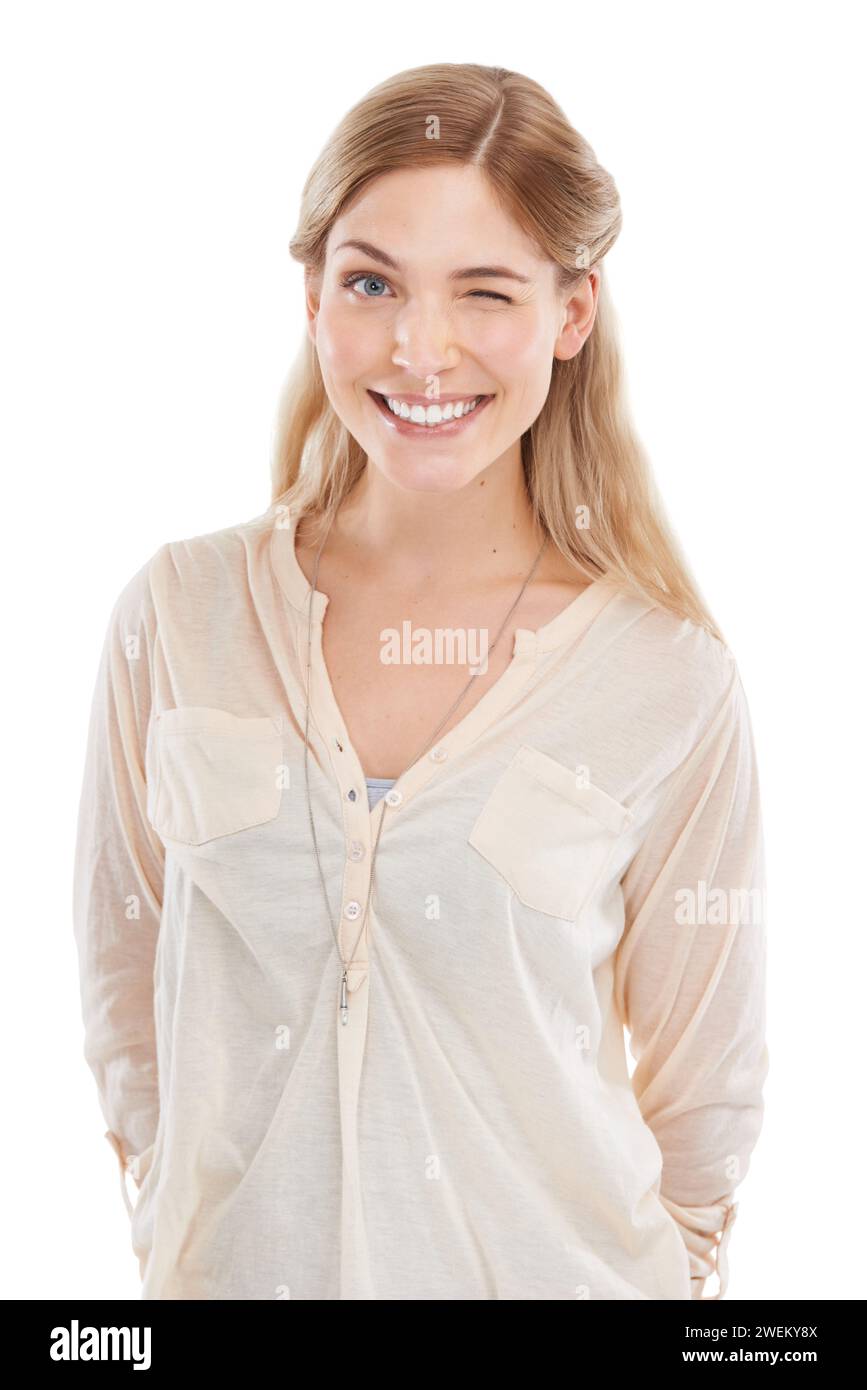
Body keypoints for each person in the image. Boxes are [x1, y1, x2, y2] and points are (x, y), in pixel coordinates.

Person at [72, 62, 768, 1300]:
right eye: (373, 282)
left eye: (485, 292)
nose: (420, 348)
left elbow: (705, 1103)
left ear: (571, 312)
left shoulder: (672, 682)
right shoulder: (178, 618)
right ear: (312, 296)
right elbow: (128, 994)